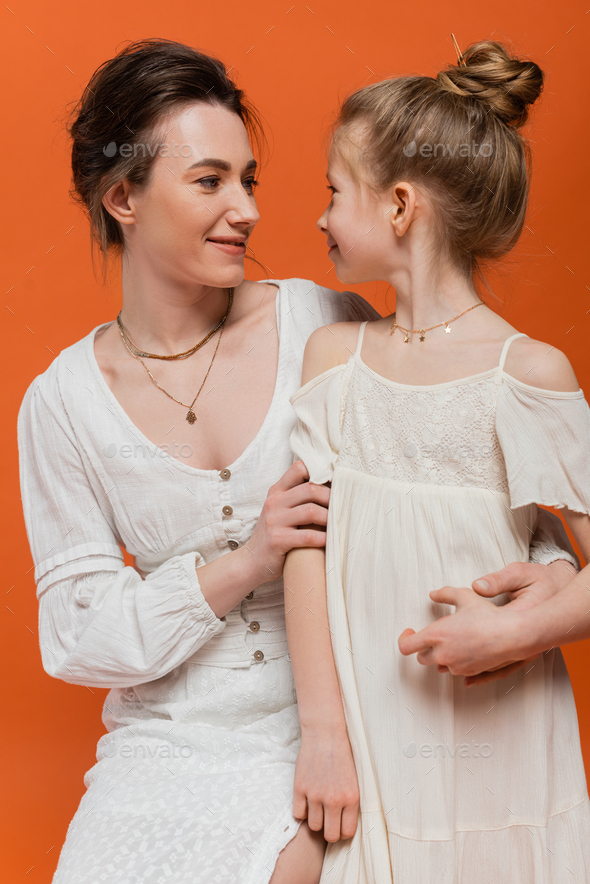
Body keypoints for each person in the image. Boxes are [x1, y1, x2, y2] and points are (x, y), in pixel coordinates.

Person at [16, 38, 578, 884]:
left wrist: (551, 583)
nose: (246, 209)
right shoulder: (60, 402)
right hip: (164, 739)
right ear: (123, 196)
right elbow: (74, 635)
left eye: (249, 180)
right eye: (210, 181)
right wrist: (243, 564)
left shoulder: (324, 321)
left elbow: (464, 490)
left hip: (346, 712)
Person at [285, 38, 590, 883]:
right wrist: (324, 735)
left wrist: (522, 625)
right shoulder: (333, 359)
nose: (318, 217)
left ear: (399, 207)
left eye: (333, 192)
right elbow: (306, 547)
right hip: (370, 742)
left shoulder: (524, 374)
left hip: (503, 741)